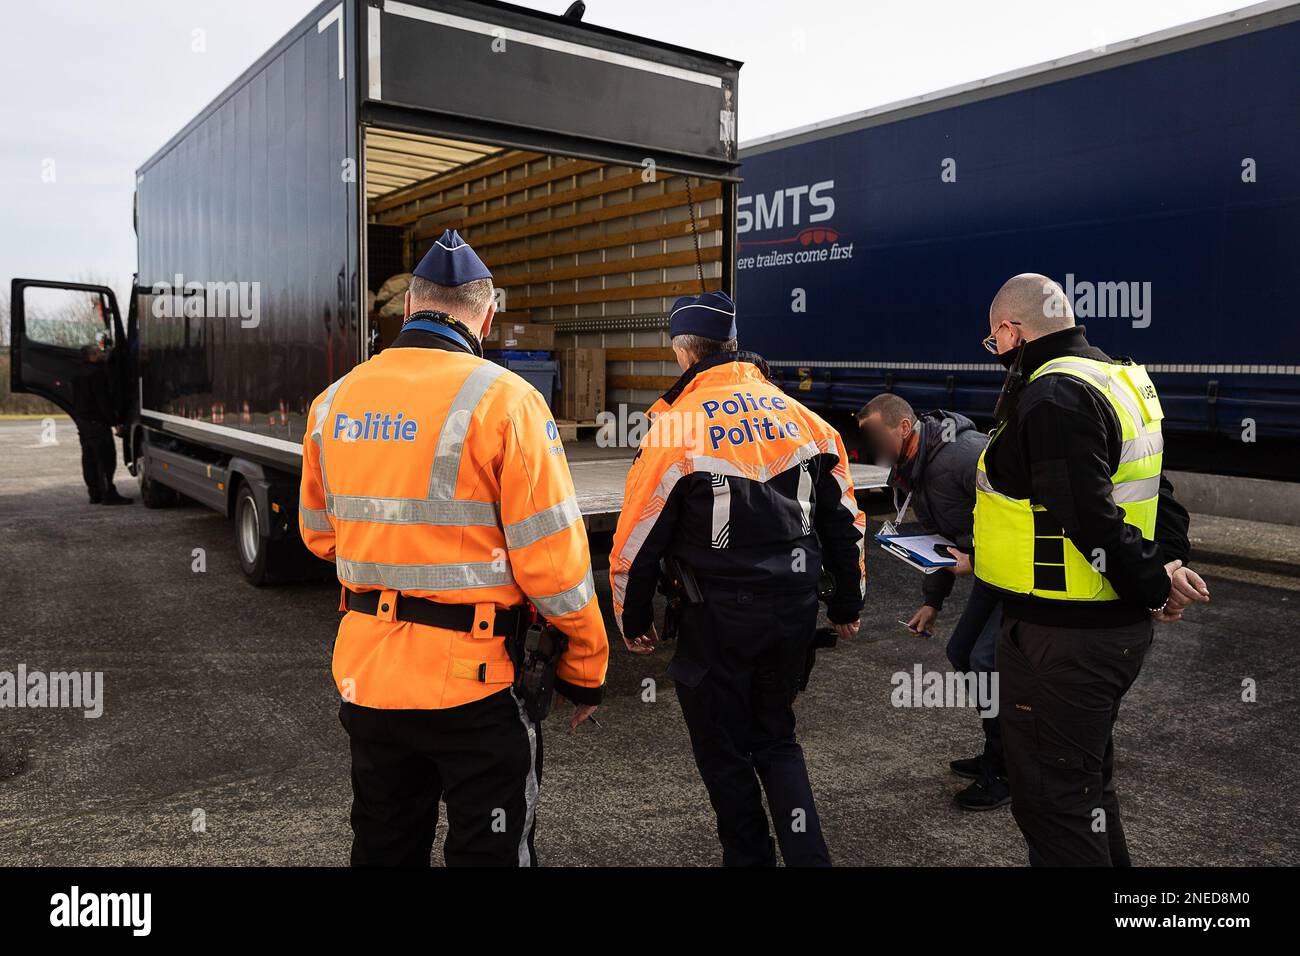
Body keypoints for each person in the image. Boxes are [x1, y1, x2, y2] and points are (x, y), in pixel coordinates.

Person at [299, 229, 609, 867]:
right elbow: (554, 566)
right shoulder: (508, 402)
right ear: (488, 315)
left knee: (383, 847)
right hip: (477, 686)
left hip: (370, 680)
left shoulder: (332, 403)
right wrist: (585, 668)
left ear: (408, 307)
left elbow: (319, 534)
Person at [610, 291, 866, 867]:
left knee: (724, 751)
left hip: (716, 619)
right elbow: (845, 520)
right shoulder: (810, 421)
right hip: (794, 613)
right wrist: (848, 604)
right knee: (777, 737)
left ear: (683, 352)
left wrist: (633, 618)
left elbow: (637, 539)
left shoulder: (676, 427)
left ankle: (747, 859)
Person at [974, 273, 1210, 866]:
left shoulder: (1054, 395)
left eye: (993, 342)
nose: (996, 354)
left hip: (1064, 640)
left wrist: (1157, 586)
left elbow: (1091, 520)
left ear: (1011, 331)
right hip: (1103, 635)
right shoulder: (1119, 378)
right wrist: (1168, 566)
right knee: (1087, 793)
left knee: (1054, 807)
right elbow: (1159, 492)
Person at [857, 394, 1008, 810]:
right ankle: (1000, 750)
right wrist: (933, 603)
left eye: (876, 435)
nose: (872, 447)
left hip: (1014, 573)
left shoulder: (964, 457)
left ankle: (1007, 766)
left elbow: (1021, 514)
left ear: (904, 428)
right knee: (962, 651)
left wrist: (979, 558)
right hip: (990, 573)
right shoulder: (912, 468)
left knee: (986, 661)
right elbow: (940, 537)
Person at [72, 337, 131, 505]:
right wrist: (114, 422)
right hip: (97, 422)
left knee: (89, 459)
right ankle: (108, 494)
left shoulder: (77, 373)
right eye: (98, 353)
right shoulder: (96, 373)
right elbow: (102, 401)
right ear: (90, 356)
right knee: (105, 459)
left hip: (83, 422)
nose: (102, 355)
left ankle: (95, 493)